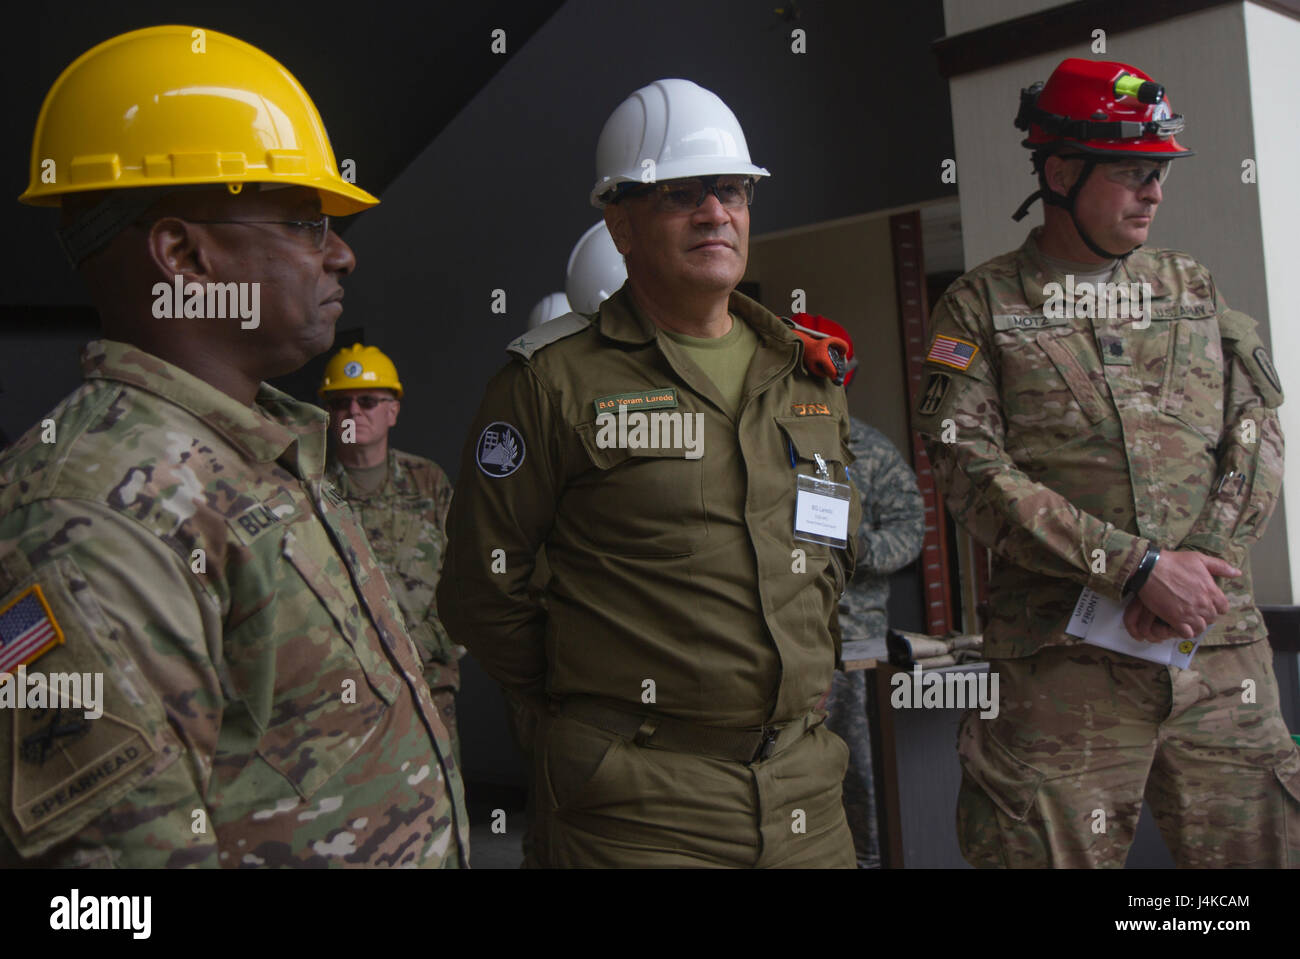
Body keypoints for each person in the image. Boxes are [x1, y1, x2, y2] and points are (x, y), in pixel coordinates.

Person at [0, 25, 467, 868]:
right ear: (184, 253)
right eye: (304, 223)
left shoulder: (263, 449)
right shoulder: (91, 516)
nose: (343, 254)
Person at [438, 78, 860, 868]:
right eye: (681, 195)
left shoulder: (805, 374)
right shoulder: (549, 383)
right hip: (639, 804)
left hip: (805, 787)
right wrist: (579, 707)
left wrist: (803, 669)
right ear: (620, 222)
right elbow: (481, 589)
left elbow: (829, 546)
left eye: (731, 191)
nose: (715, 213)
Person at [914, 57, 1297, 867]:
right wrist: (1135, 567)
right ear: (1059, 172)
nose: (1154, 191)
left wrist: (1199, 573)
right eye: (1131, 171)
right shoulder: (981, 306)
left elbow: (1257, 431)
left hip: (1217, 653)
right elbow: (966, 465)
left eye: (1158, 171)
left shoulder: (1192, 287)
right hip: (1062, 670)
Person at [799, 315, 924, 869]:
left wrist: (851, 545)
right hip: (776, 641)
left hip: (853, 647)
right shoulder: (761, 447)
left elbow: (910, 532)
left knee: (859, 776)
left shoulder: (869, 450)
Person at [319, 344, 464, 761]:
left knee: (434, 810)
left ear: (392, 411)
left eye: (367, 400)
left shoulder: (428, 481)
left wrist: (419, 642)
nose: (353, 412)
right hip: (342, 686)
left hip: (428, 682)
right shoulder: (306, 486)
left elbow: (466, 577)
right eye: (339, 402)